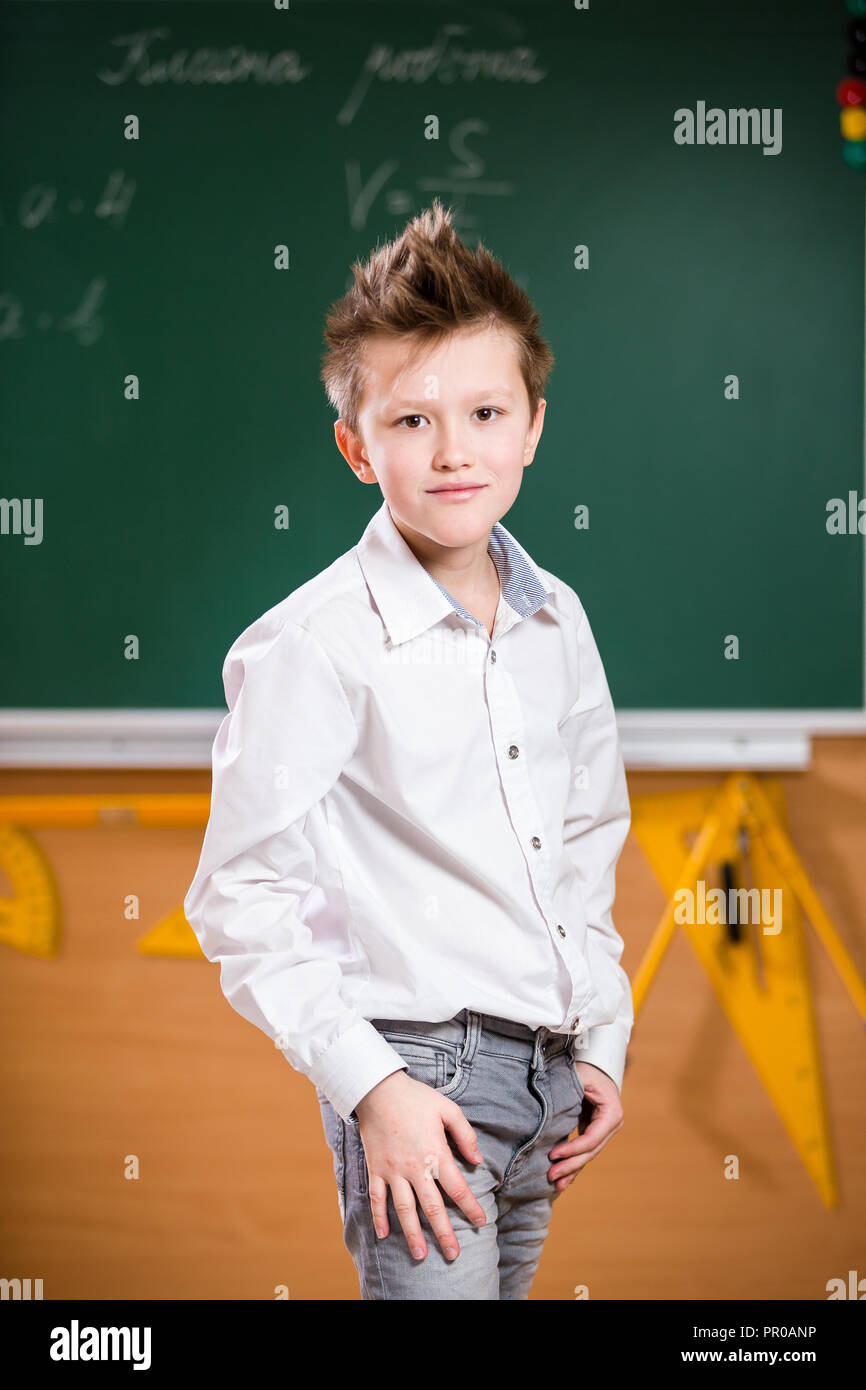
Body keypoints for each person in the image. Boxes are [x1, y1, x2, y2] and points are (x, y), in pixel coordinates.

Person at [183, 198, 632, 1301]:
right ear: (355, 443)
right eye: (409, 421)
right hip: (414, 1073)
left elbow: (582, 836)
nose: (453, 452)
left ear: (531, 424)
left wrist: (601, 1036)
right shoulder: (315, 643)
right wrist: (369, 1087)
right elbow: (237, 893)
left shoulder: (555, 618)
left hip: (546, 1076)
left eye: (483, 411)